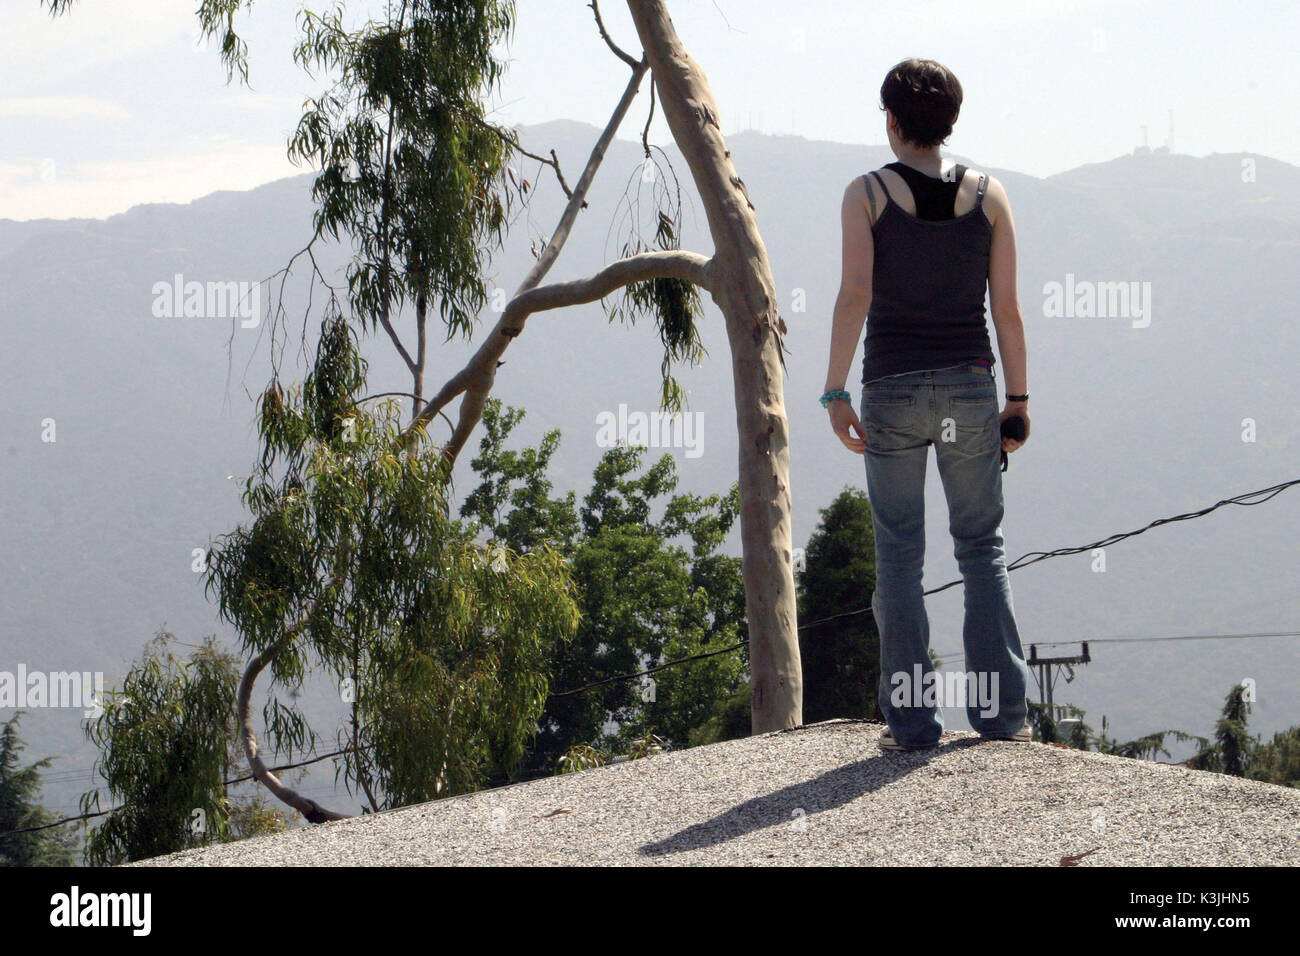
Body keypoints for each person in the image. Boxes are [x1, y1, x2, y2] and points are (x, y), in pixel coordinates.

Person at [821, 58, 1032, 751]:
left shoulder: (866, 195)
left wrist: (834, 390)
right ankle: (1002, 719)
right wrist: (1019, 400)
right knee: (982, 548)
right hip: (971, 386)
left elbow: (855, 295)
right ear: (951, 121)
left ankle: (912, 726)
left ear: (891, 120)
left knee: (899, 557)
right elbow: (1007, 310)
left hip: (891, 388)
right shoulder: (991, 196)